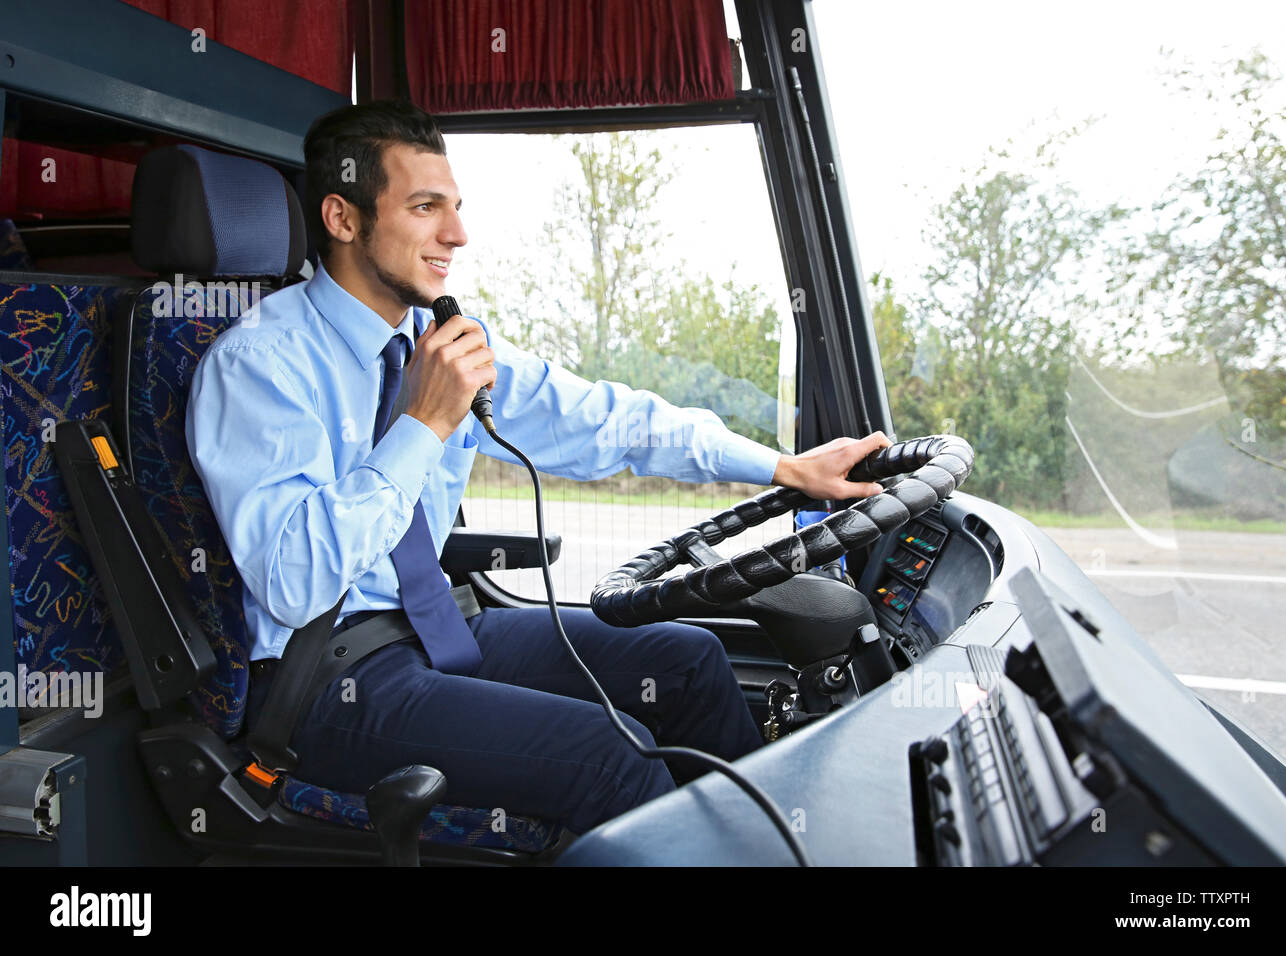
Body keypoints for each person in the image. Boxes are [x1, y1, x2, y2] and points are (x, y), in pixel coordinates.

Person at [186, 99, 891, 836]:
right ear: (343, 218)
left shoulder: (444, 341)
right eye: (426, 208)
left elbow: (602, 419)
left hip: (437, 629)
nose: (456, 235)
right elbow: (296, 583)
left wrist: (782, 467)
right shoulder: (258, 365)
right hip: (328, 680)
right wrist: (422, 425)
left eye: (455, 208)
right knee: (614, 758)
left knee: (690, 662)